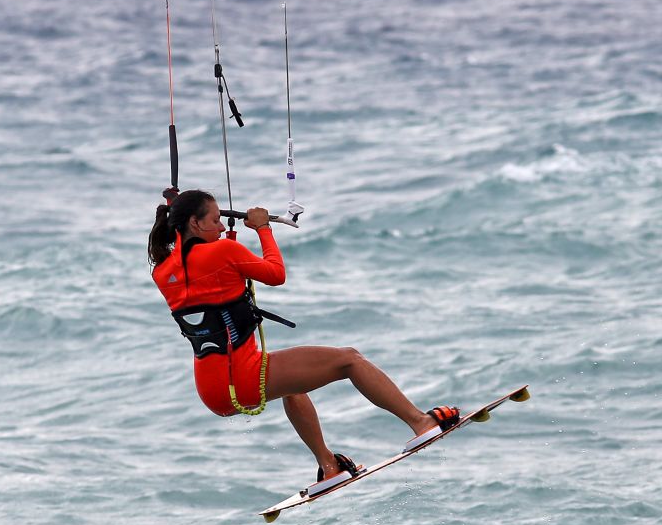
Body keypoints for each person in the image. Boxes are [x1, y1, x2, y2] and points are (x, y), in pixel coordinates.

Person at [148, 189, 458, 486]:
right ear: (194, 223)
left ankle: (329, 466)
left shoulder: (162, 272)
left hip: (212, 390)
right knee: (350, 359)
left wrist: (182, 214)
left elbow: (204, 270)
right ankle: (421, 422)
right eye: (215, 220)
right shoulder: (222, 251)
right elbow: (275, 274)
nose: (220, 226)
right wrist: (263, 228)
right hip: (243, 377)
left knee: (293, 386)